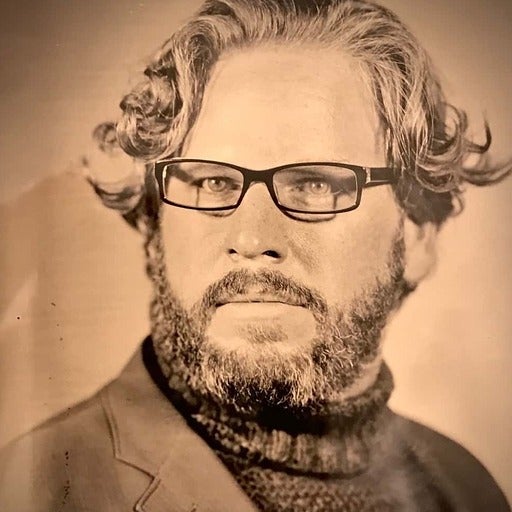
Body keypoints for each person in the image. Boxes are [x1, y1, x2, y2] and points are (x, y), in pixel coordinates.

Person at [1, 0, 510, 510]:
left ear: (418, 233)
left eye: (315, 184)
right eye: (213, 182)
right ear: (154, 224)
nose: (251, 238)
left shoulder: (468, 489)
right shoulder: (34, 494)